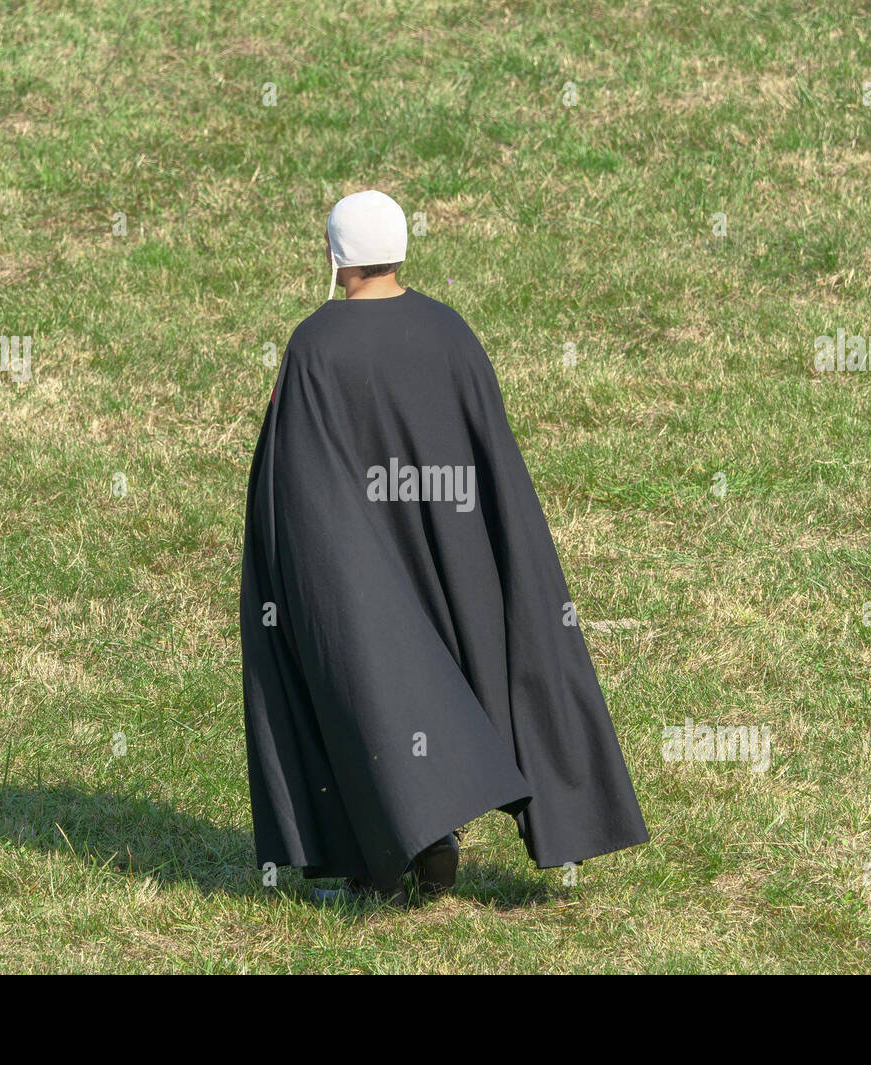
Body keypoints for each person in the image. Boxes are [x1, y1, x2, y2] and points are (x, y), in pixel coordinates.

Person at [241, 189, 648, 904]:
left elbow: (294, 467)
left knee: (371, 680)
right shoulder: (448, 330)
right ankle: (431, 833)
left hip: (356, 551)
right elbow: (484, 450)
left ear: (337, 257)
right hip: (446, 539)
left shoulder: (314, 343)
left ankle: (395, 845)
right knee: (436, 670)